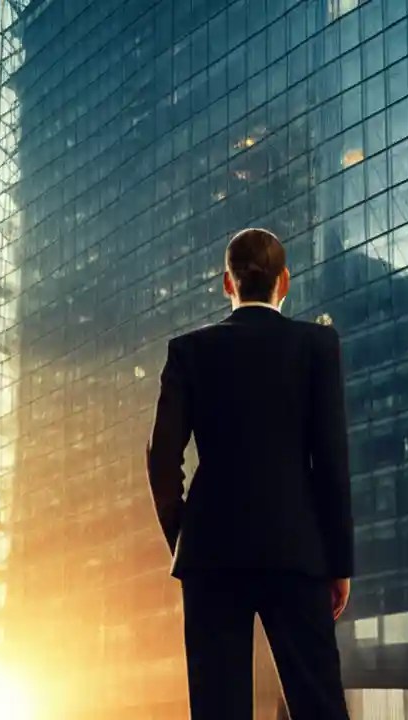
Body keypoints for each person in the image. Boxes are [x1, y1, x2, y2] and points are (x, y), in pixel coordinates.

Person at [147, 227, 354, 720]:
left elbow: (162, 459)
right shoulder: (317, 346)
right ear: (285, 281)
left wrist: (186, 535)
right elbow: (331, 460)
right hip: (298, 553)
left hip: (211, 556)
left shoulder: (189, 351)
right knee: (320, 708)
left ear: (227, 283)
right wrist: (338, 561)